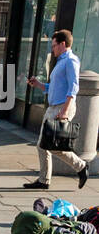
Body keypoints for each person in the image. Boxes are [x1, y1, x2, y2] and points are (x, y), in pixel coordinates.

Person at [23, 30, 89, 192]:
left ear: (63, 44)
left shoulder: (71, 61)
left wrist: (65, 111)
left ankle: (81, 166)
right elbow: (53, 87)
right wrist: (38, 84)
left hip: (62, 107)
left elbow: (73, 88)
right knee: (42, 145)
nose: (52, 49)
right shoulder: (60, 61)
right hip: (53, 107)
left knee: (52, 146)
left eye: (54, 46)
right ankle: (44, 180)